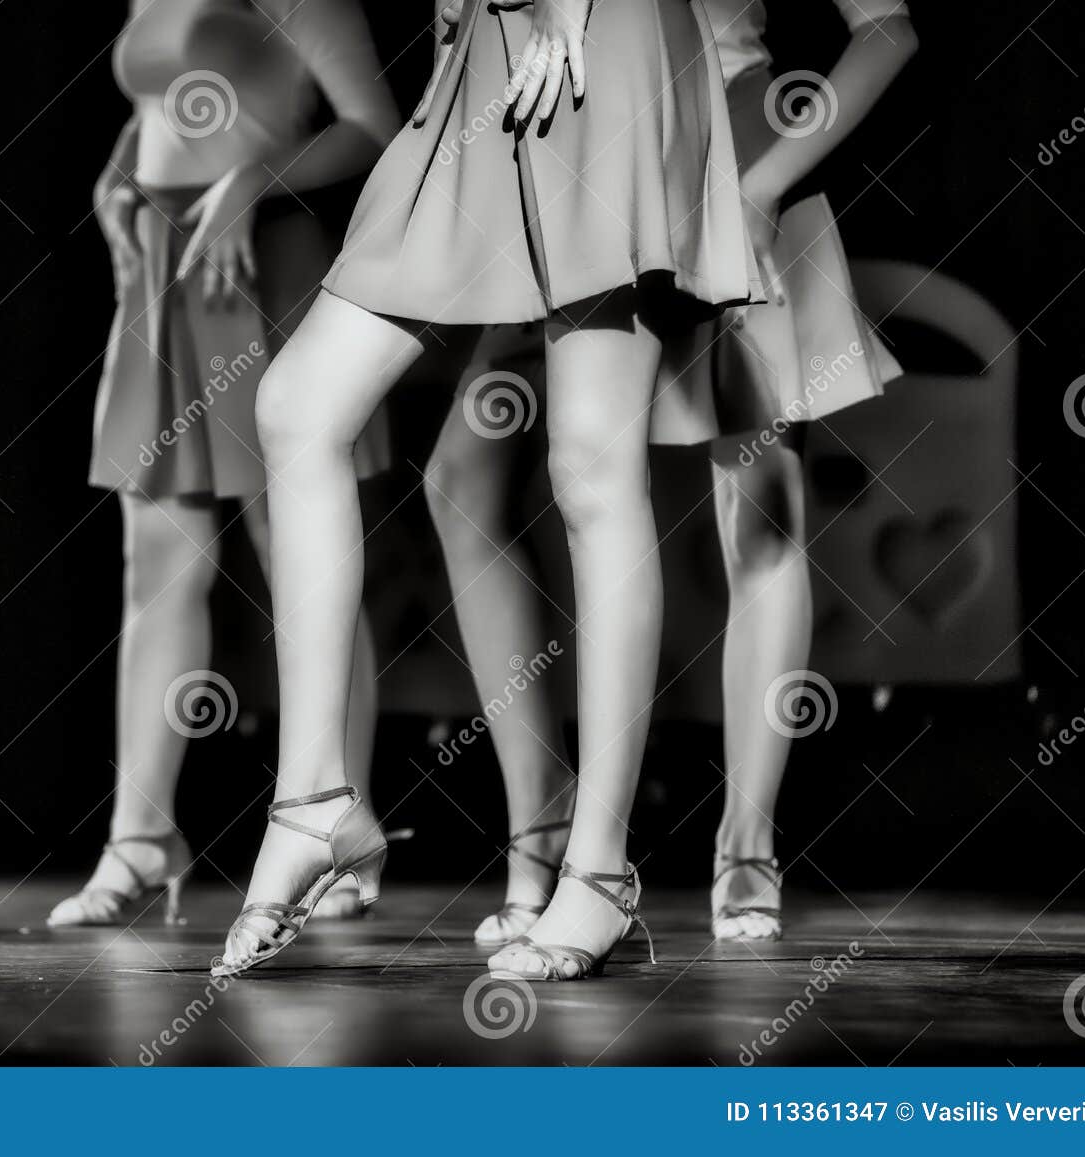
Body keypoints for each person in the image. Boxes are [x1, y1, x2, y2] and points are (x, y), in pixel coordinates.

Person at [212, 0, 763, 982]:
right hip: (479, 53)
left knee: (589, 466)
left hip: (589, 37)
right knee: (298, 405)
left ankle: (596, 871)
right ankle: (311, 800)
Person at [425, 0, 917, 948]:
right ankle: (545, 828)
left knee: (761, 491)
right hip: (580, 163)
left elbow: (888, 27)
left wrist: (767, 184)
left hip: (731, 140)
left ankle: (745, 844)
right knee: (461, 475)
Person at [52, 0, 401, 927]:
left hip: (259, 258)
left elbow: (375, 128)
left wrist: (256, 176)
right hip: (164, 269)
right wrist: (123, 166)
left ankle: (336, 819)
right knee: (156, 566)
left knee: (304, 561)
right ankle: (141, 833)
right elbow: (163, 94)